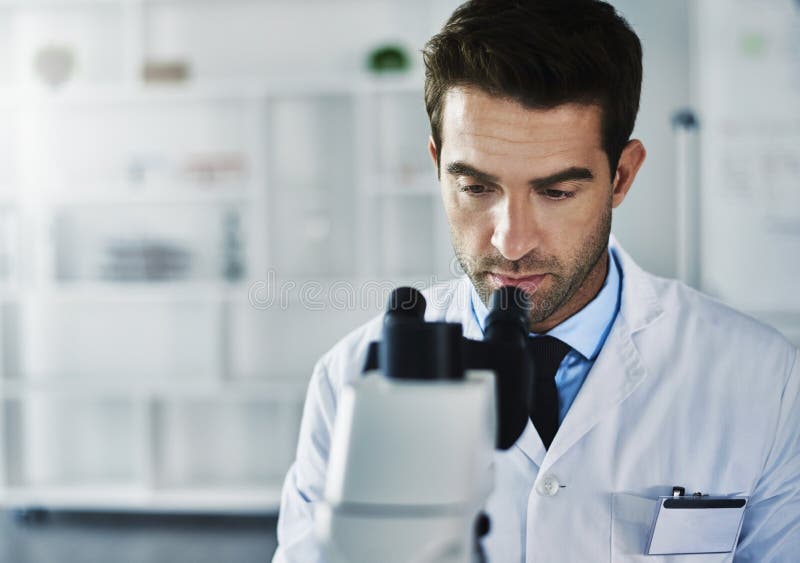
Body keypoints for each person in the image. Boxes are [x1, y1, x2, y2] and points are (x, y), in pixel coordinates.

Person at [273, 0, 800, 560]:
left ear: (621, 176)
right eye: (476, 188)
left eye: (556, 192)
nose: (511, 241)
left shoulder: (762, 378)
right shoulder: (350, 379)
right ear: (437, 167)